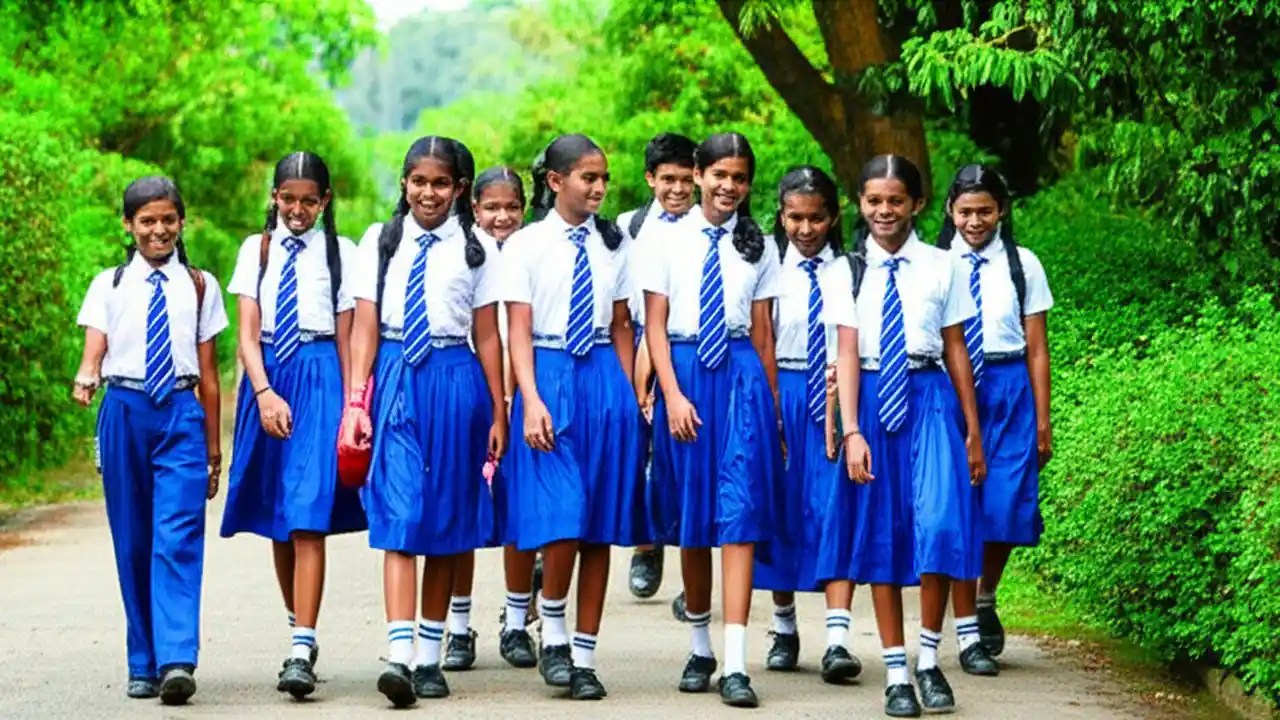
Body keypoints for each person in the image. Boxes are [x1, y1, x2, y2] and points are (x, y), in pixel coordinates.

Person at [339, 136, 507, 707]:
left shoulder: (478, 247)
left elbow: (486, 333)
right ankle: (400, 653)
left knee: (445, 516)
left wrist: (499, 409)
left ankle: (431, 654)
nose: (427, 192)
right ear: (404, 183)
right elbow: (363, 327)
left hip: (456, 378)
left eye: (440, 183)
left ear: (459, 189)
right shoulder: (379, 242)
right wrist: (356, 402)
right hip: (392, 374)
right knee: (401, 511)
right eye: (418, 181)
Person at [818, 154, 987, 717]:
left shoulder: (943, 266)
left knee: (938, 526)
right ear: (859, 204)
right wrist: (851, 430)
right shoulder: (845, 270)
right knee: (882, 536)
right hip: (869, 396)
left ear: (916, 203)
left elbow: (958, 347)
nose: (883, 211)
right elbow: (844, 349)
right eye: (873, 201)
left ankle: (930, 660)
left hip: (929, 395)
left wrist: (973, 430)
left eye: (895, 200)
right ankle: (895, 671)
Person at [73, 176, 227, 706]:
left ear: (181, 222)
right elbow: (95, 346)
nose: (158, 229)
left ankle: (177, 659)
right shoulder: (108, 284)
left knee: (178, 535)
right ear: (129, 225)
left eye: (167, 219)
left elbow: (208, 374)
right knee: (134, 539)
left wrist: (212, 447)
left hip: (181, 412)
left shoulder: (200, 285)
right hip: (125, 409)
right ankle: (143, 660)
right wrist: (87, 374)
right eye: (146, 221)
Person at [502, 133, 647, 700]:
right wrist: (530, 398)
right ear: (555, 182)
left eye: (604, 178)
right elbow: (516, 329)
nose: (600, 187)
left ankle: (584, 655)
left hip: (604, 378)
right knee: (561, 516)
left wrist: (632, 396)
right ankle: (553, 629)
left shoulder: (615, 244)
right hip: (549, 369)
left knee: (600, 527)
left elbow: (621, 325)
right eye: (589, 177)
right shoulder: (526, 245)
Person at [643, 132, 784, 708]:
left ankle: (734, 662)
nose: (729, 186)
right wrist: (670, 395)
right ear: (698, 174)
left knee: (740, 513)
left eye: (740, 178)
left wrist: (771, 411)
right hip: (684, 372)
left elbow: (764, 333)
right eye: (719, 174)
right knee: (695, 515)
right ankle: (700, 644)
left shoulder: (760, 246)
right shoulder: (662, 241)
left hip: (741, 377)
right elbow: (653, 325)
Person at [220, 151, 366, 699]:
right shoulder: (256, 250)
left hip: (322, 373)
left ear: (324, 201)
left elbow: (350, 336)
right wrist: (262, 392)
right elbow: (247, 334)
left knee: (308, 513)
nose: (298, 209)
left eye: (309, 200)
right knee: (280, 516)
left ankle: (302, 646)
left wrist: (354, 403)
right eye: (288, 199)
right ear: (274, 198)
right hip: (270, 375)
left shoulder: (341, 253)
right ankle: (296, 626)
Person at [938, 164, 1054, 672]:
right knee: (960, 499)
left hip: (1009, 389)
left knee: (1006, 503)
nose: (975, 221)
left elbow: (1037, 348)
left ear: (1001, 211)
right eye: (965, 211)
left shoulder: (1022, 264)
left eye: (985, 210)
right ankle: (964, 618)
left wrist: (1043, 418)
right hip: (950, 386)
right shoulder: (936, 265)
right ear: (949, 211)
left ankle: (985, 597)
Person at [755, 166, 869, 685]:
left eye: (816, 218)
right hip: (782, 389)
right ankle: (784, 627)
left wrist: (848, 413)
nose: (805, 229)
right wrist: (772, 403)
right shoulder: (766, 266)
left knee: (834, 506)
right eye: (795, 218)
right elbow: (761, 341)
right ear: (781, 216)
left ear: (833, 216)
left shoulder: (851, 269)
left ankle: (839, 637)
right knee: (780, 505)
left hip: (834, 395)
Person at [444, 166, 543, 671]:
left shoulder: (535, 250)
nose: (502, 217)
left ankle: (516, 619)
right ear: (474, 208)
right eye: (492, 208)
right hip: (471, 399)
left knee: (518, 513)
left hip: (522, 400)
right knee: (463, 509)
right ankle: (458, 627)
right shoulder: (462, 250)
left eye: (512, 208)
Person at [617, 132, 697, 600]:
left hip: (686, 349)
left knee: (685, 458)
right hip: (638, 342)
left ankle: (690, 552)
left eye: (687, 179)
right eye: (668, 179)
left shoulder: (709, 228)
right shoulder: (628, 228)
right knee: (638, 450)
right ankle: (646, 547)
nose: (678, 189)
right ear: (650, 179)